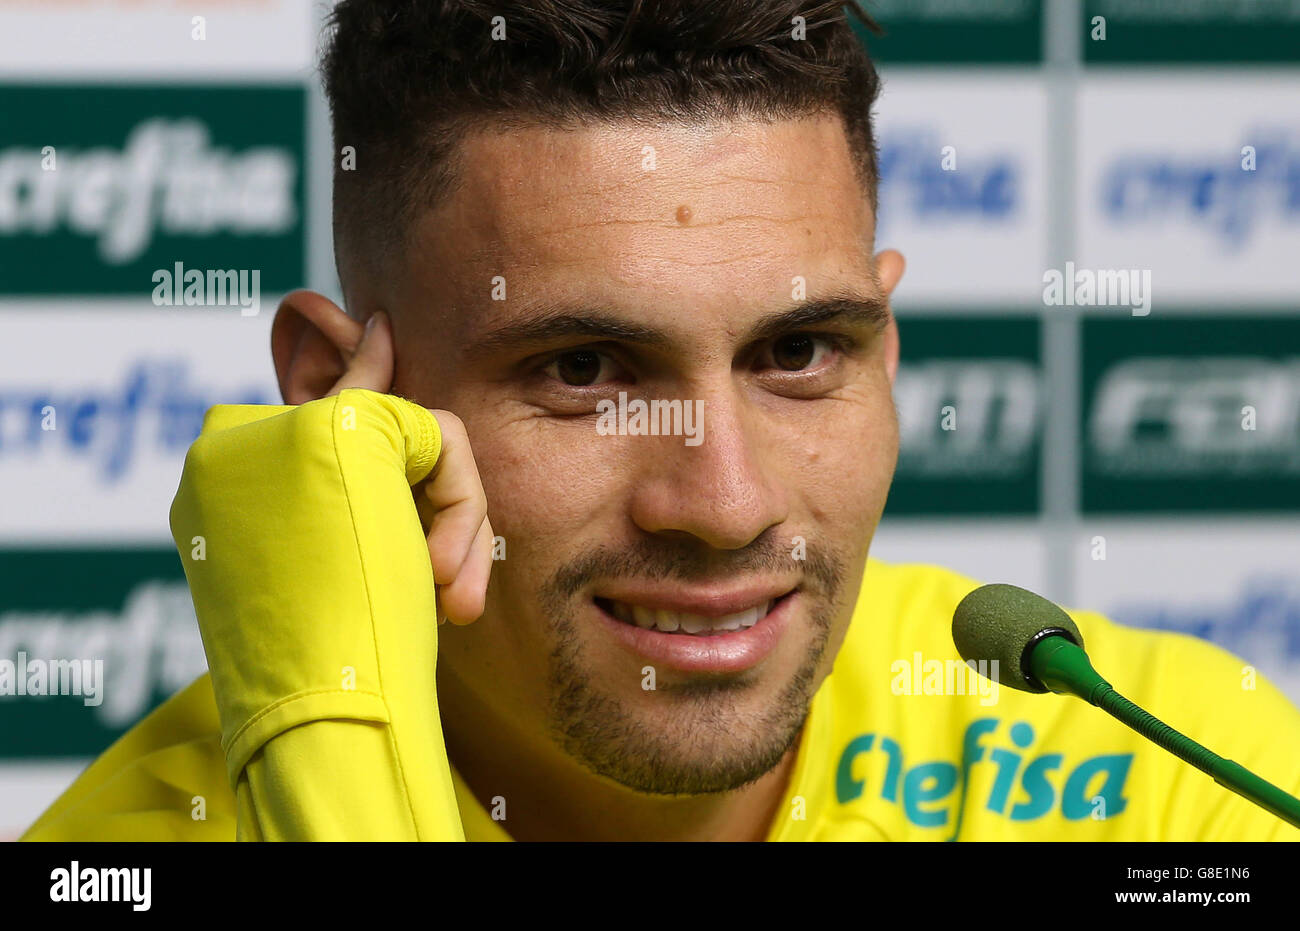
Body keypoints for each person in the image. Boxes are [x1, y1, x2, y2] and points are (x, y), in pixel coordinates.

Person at [23, 0, 1300, 841]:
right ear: (334, 399)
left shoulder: (1171, 777)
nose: (726, 502)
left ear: (886, 347)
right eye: (582, 369)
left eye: (797, 352)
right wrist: (331, 743)